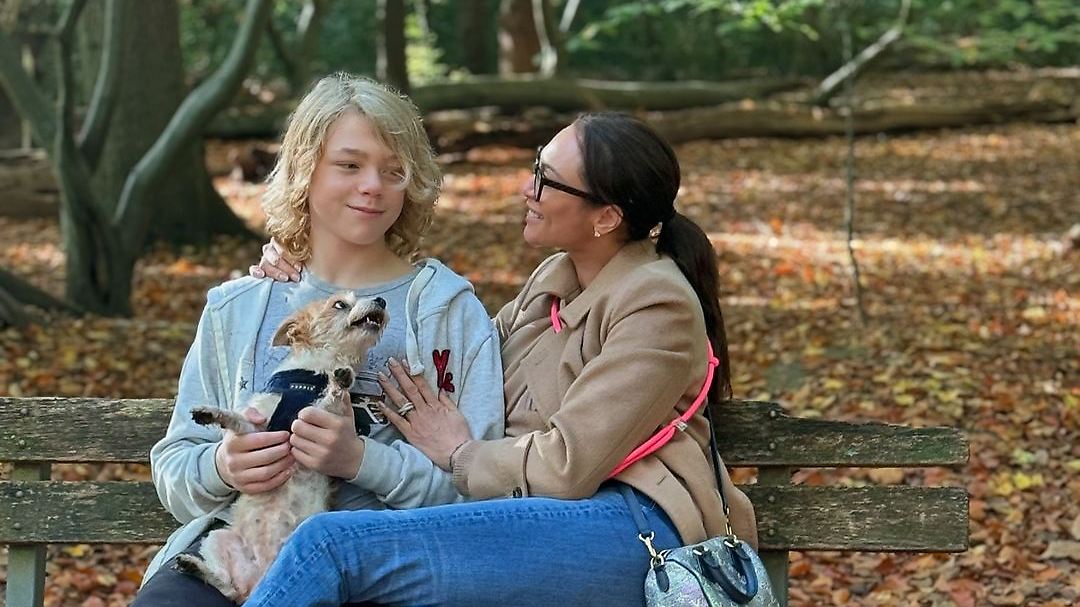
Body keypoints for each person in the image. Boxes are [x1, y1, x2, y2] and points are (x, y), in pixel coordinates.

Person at [244, 112, 758, 607]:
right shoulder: (553, 280)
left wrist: (461, 454)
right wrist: (309, 267)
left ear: (606, 217)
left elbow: (568, 467)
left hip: (635, 530)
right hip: (539, 519)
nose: (526, 190)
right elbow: (457, 360)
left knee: (330, 546)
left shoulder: (656, 305)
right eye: (537, 167)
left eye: (548, 181)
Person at [133, 73, 505, 606]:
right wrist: (223, 465)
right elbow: (174, 468)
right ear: (306, 170)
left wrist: (361, 461)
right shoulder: (242, 308)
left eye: (393, 170)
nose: (373, 185)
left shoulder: (449, 312)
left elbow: (485, 486)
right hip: (237, 554)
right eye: (349, 165)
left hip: (393, 562)